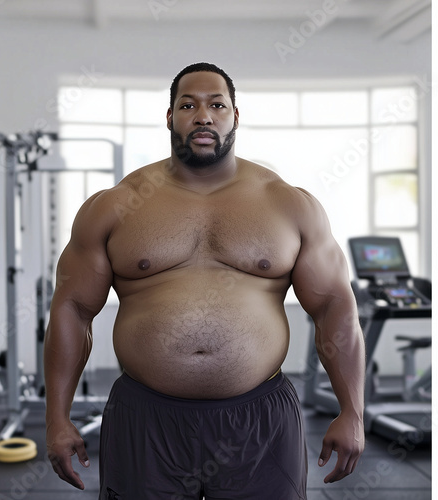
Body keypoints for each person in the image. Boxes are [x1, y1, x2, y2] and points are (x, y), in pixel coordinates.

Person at [44, 62, 365, 499]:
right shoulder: (114, 206)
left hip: (260, 419)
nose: (203, 115)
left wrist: (353, 412)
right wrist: (56, 418)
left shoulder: (289, 203)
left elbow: (334, 306)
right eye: (188, 104)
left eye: (217, 104)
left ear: (235, 116)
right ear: (170, 117)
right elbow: (73, 308)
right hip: (146, 418)